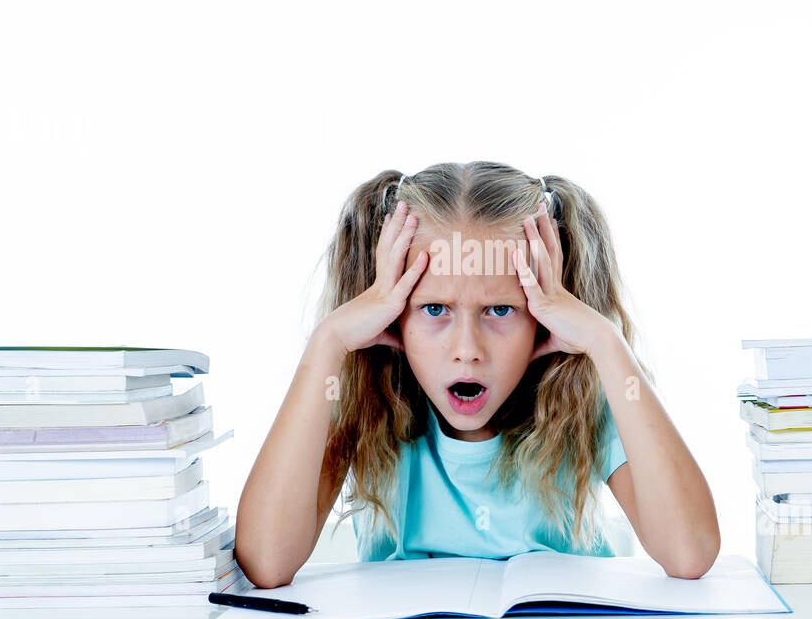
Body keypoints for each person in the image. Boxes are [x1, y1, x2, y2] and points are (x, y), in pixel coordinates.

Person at [234, 161, 719, 587]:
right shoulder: (362, 397)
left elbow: (689, 552)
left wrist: (606, 344)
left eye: (501, 310)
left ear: (545, 313)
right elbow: (267, 562)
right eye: (435, 308)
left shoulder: (582, 396)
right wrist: (328, 342)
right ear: (391, 313)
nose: (467, 351)